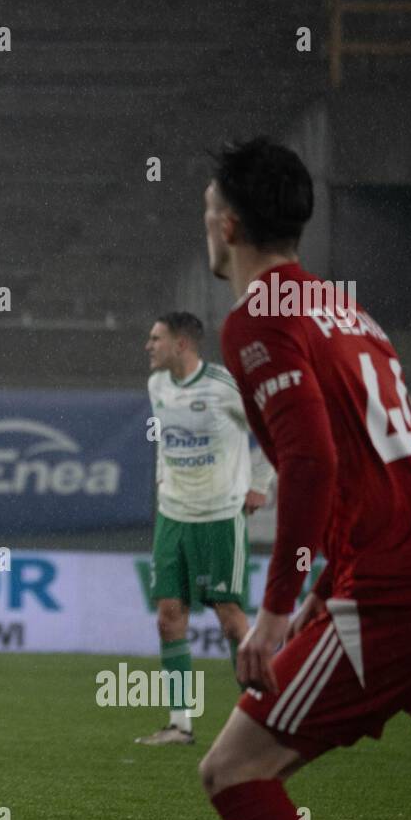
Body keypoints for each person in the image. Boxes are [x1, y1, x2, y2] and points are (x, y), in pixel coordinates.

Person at [198, 137, 411, 820]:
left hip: (404, 593)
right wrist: (323, 588)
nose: (207, 224)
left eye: (209, 210)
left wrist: (272, 616)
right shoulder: (347, 312)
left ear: (230, 226)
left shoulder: (256, 320)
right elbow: (370, 476)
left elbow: (313, 462)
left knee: (233, 770)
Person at [137, 312, 273, 745]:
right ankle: (180, 724)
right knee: (167, 618)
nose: (148, 345)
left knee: (231, 620)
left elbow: (272, 430)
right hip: (173, 514)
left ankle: (262, 718)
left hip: (220, 515)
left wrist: (259, 484)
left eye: (155, 338)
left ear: (182, 345)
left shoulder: (223, 386)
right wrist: (162, 479)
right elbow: (164, 437)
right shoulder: (157, 385)